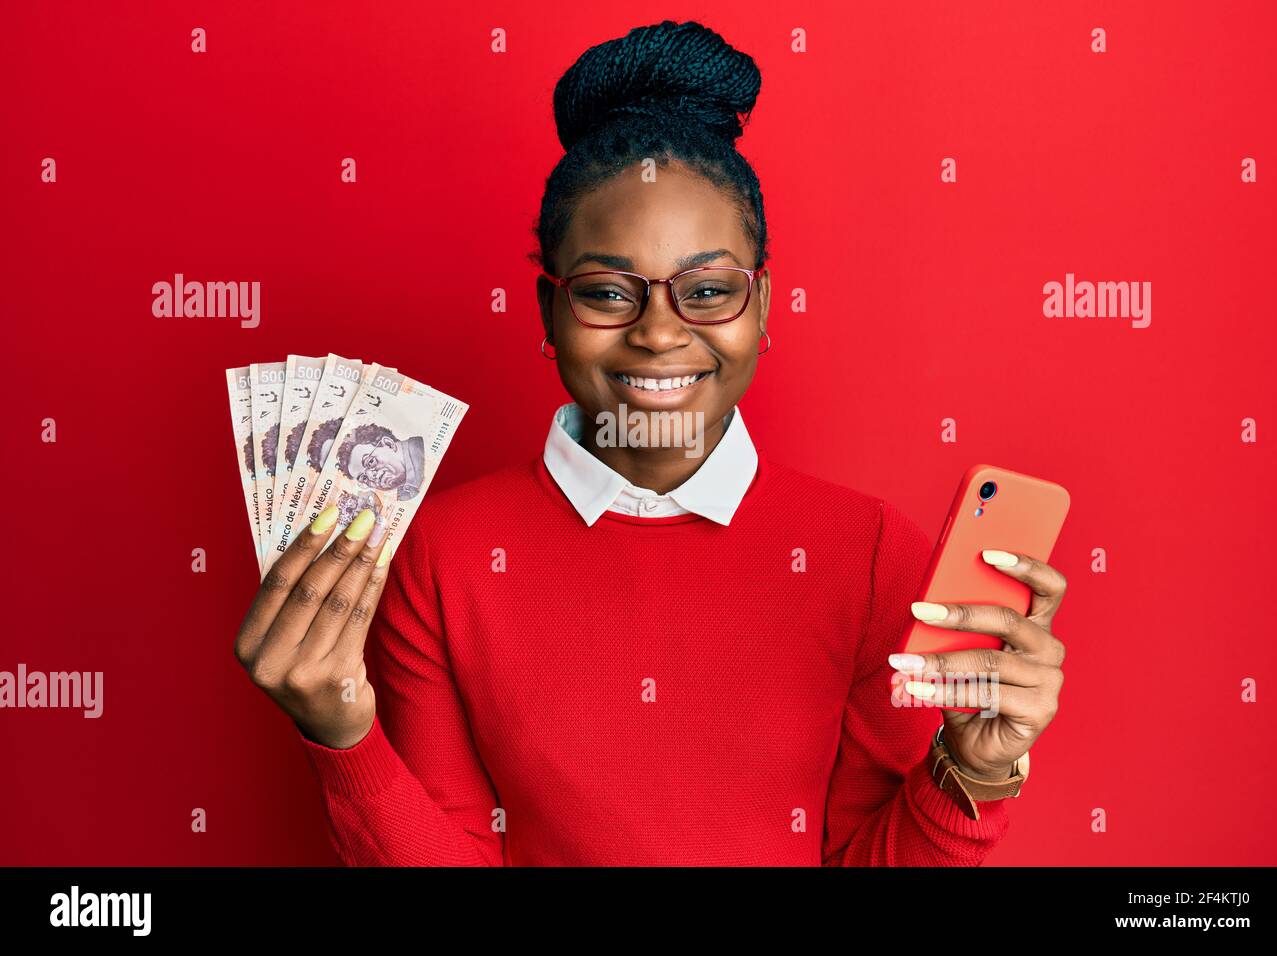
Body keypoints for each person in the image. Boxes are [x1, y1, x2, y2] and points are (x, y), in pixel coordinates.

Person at [233, 18, 1067, 866]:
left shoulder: (874, 555)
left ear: (765, 306)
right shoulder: (445, 559)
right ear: (548, 313)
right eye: (606, 292)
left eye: (708, 289)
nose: (660, 333)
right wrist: (341, 736)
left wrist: (973, 767)